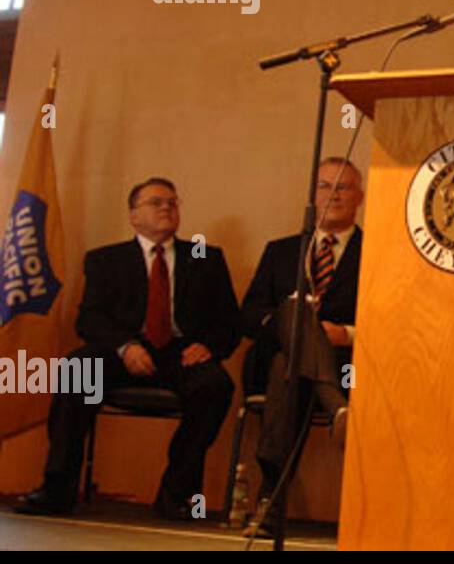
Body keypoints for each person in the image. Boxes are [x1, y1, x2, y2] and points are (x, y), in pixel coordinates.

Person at [15, 178, 239, 520]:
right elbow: (89, 320)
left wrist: (207, 345)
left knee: (216, 386)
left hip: (181, 353)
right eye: (156, 202)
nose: (167, 207)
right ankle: (57, 489)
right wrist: (124, 346)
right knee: (77, 371)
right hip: (121, 352)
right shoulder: (106, 259)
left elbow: (228, 322)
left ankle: (176, 494)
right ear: (134, 216)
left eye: (172, 202)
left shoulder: (205, 257)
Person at [239, 157, 363, 536]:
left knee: (286, 370)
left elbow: (395, 317)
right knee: (293, 309)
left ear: (359, 197)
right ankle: (335, 405)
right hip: (276, 352)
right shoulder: (281, 250)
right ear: (313, 195)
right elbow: (248, 315)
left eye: (342, 187)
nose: (332, 195)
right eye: (325, 186)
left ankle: (270, 503)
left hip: (345, 362)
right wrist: (290, 324)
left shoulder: (378, 251)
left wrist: (348, 333)